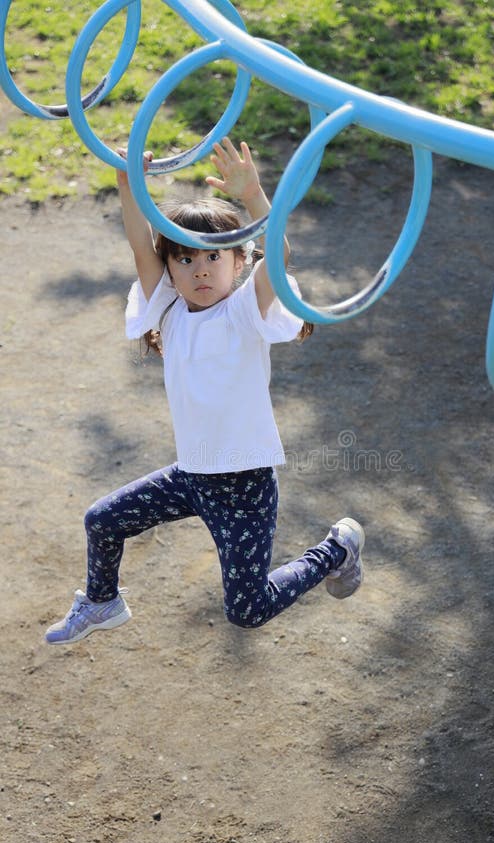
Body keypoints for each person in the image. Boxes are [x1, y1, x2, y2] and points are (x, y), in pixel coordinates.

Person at [45, 137, 365, 645]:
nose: (199, 270)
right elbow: (139, 244)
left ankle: (336, 549)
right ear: (170, 268)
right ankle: (102, 601)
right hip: (192, 475)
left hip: (243, 487)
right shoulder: (170, 313)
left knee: (247, 610)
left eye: (213, 258)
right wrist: (129, 182)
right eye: (185, 259)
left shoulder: (243, 311)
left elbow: (277, 253)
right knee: (101, 521)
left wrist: (254, 195)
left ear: (239, 262)